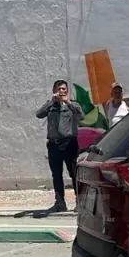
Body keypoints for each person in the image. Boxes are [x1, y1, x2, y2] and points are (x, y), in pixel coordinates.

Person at [37, 79, 83, 213]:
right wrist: (52, 101)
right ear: (54, 91)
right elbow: (39, 114)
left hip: (69, 143)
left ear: (67, 91)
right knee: (56, 175)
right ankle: (60, 202)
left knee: (74, 173)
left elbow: (81, 116)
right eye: (59, 89)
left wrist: (68, 102)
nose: (61, 91)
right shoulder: (50, 105)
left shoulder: (72, 105)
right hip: (54, 144)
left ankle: (79, 202)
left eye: (63, 89)